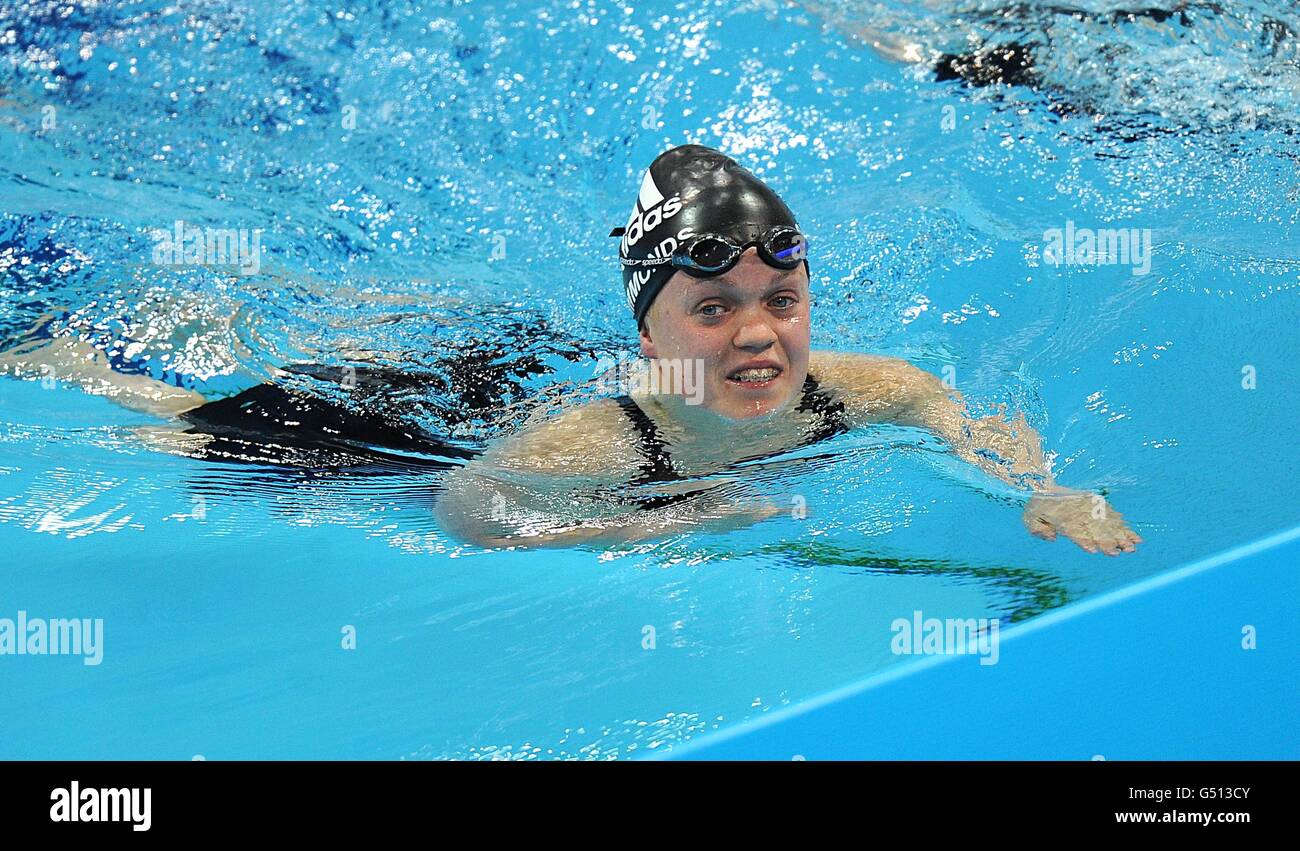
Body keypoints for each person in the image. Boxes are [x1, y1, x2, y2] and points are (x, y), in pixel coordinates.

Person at [433, 144, 1141, 554]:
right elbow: (470, 510)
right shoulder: (597, 444)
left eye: (781, 300)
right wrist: (661, 520)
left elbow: (968, 428)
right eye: (713, 308)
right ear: (649, 336)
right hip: (444, 395)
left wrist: (1044, 488)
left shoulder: (869, 388)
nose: (757, 332)